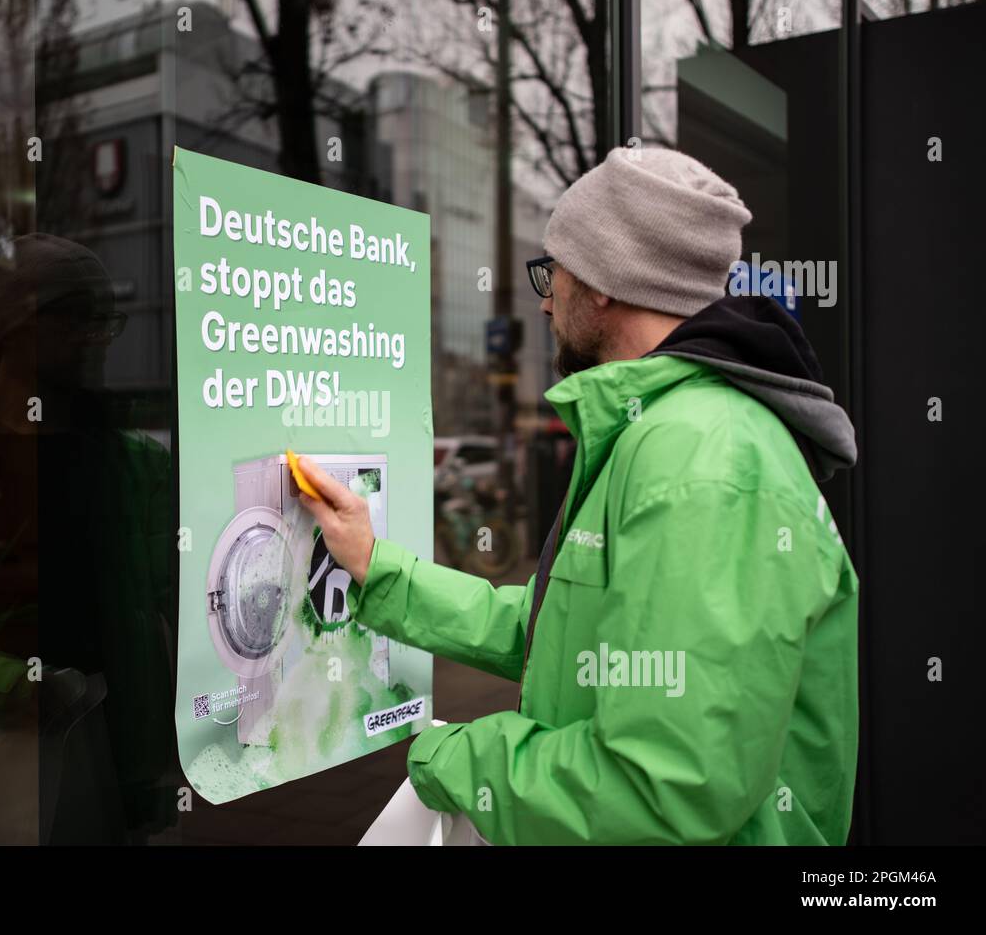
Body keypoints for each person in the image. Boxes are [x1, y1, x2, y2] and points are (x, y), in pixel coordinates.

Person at [298, 147, 859, 845]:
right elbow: (559, 629)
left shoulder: (699, 456)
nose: (544, 296)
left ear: (602, 283)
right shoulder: (680, 431)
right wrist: (376, 565)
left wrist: (456, 758)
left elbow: (665, 789)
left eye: (552, 270)